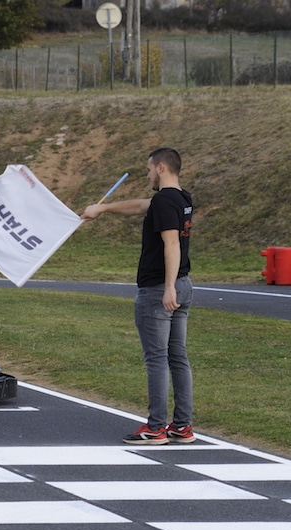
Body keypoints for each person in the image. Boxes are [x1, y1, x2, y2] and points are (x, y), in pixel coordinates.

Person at [81, 147, 195, 445]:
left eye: (148, 170)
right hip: (183, 284)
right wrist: (102, 209)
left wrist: (168, 287)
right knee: (177, 357)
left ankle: (156, 427)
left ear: (160, 168)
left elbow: (172, 245)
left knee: (157, 359)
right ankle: (182, 426)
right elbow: (140, 206)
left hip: (161, 289)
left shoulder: (164, 201)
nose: (147, 175)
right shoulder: (180, 199)